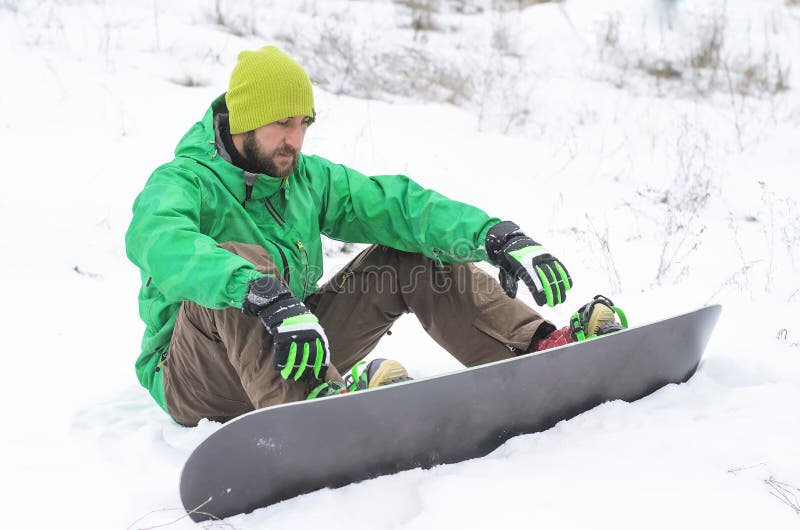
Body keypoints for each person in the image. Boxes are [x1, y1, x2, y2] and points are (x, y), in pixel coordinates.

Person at [125, 46, 624, 427]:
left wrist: (491, 234)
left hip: (290, 349)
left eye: (303, 124)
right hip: (194, 375)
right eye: (282, 124)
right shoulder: (183, 181)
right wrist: (252, 288)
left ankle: (534, 351)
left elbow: (394, 207)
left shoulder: (305, 178)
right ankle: (315, 412)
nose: (295, 140)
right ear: (246, 119)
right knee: (241, 266)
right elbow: (159, 240)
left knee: (407, 254)